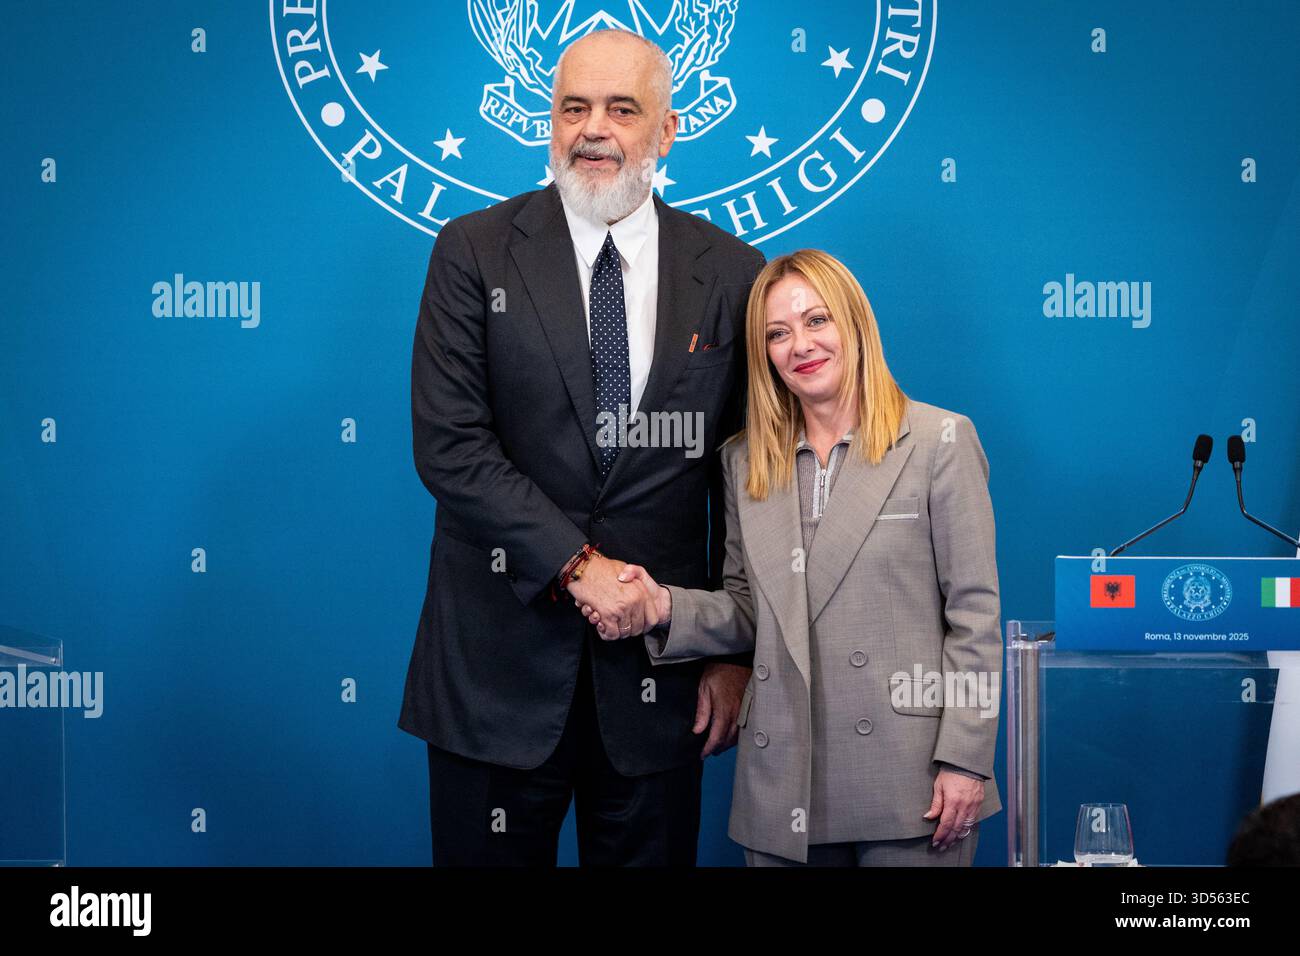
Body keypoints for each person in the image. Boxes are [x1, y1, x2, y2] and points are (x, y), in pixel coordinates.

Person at [397, 27, 765, 866]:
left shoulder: (734, 273)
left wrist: (735, 651)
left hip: (662, 688)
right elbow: (450, 445)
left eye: (621, 108)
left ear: (666, 131)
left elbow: (750, 483)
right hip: (493, 680)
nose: (593, 129)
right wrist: (576, 565)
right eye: (573, 107)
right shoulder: (472, 251)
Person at [581, 249, 1003, 865]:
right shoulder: (744, 461)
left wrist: (965, 759)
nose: (799, 344)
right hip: (785, 778)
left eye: (817, 320)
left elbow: (975, 617)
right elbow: (751, 610)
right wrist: (661, 607)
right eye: (777, 333)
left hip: (912, 778)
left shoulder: (940, 441)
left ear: (855, 323)